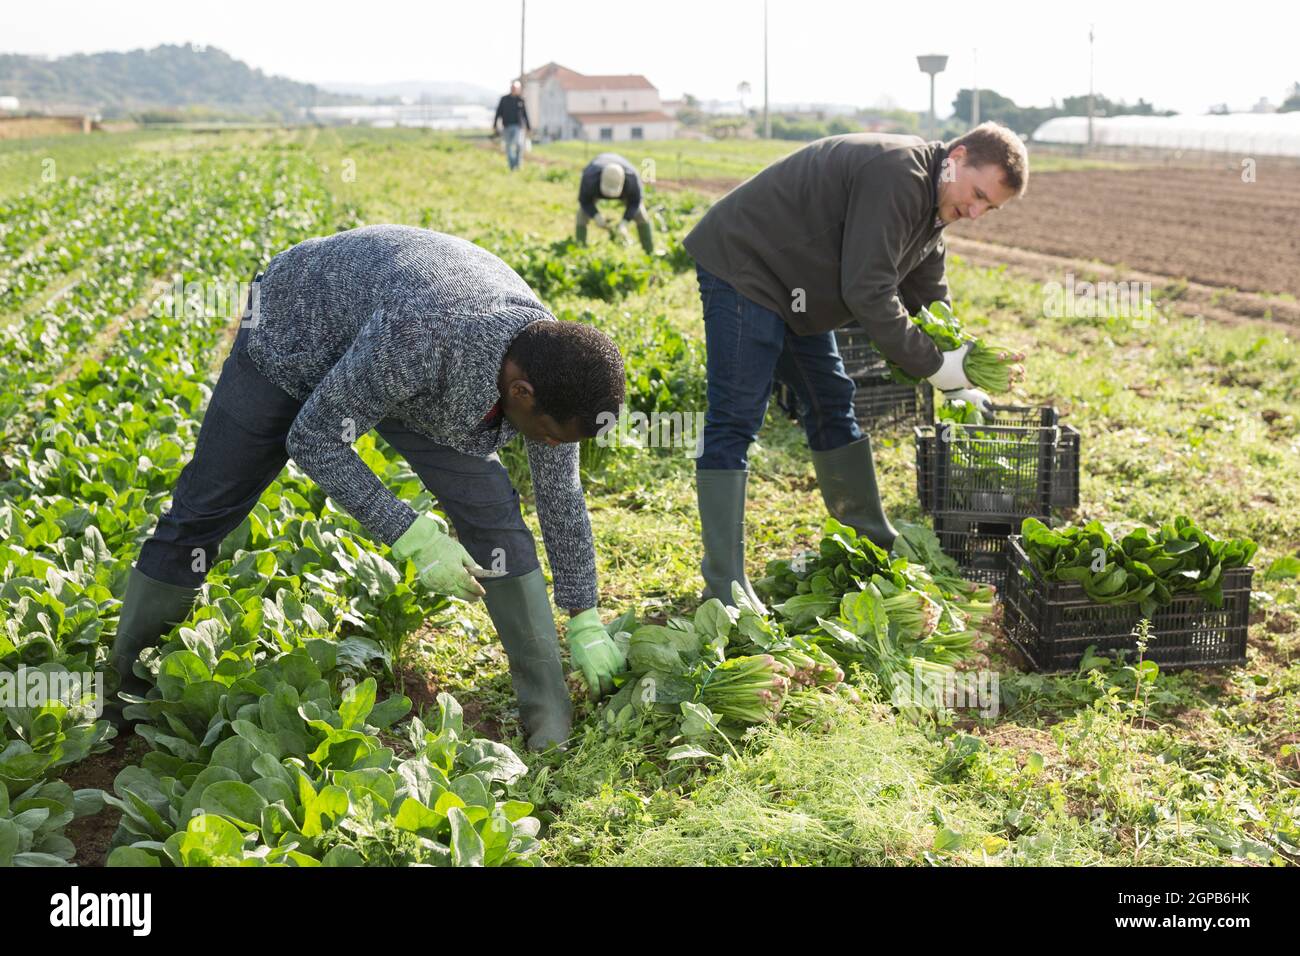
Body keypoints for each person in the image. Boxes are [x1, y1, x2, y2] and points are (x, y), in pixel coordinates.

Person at [106, 225, 629, 751]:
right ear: (521, 392)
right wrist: (412, 535)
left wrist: (584, 615)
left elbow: (561, 498)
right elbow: (315, 439)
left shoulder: (553, 364)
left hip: (403, 364)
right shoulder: (424, 336)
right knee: (204, 511)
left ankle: (548, 715)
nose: (544, 445)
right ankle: (121, 691)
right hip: (296, 327)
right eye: (544, 434)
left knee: (493, 518)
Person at [682, 122, 1029, 604]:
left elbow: (929, 298)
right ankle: (725, 585)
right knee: (737, 416)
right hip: (747, 265)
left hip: (797, 292)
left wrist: (959, 367)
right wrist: (933, 365)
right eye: (976, 194)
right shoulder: (898, 175)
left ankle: (870, 543)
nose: (974, 211)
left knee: (831, 398)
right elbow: (867, 291)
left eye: (988, 207)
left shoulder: (934, 207)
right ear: (958, 156)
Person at [576, 152, 655, 254]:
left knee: (641, 214)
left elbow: (635, 202)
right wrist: (596, 216)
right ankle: (580, 249)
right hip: (596, 187)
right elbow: (584, 201)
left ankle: (649, 251)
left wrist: (625, 222)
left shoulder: (632, 178)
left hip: (625, 189)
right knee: (581, 214)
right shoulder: (589, 177)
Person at [493, 80, 531, 171]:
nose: (514, 90)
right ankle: (512, 165)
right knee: (508, 146)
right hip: (506, 126)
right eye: (513, 88)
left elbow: (525, 114)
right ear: (511, 88)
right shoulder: (504, 99)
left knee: (519, 144)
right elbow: (498, 112)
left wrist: (529, 126)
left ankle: (517, 164)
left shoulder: (520, 100)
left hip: (518, 127)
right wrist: (495, 124)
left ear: (518, 89)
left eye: (516, 88)